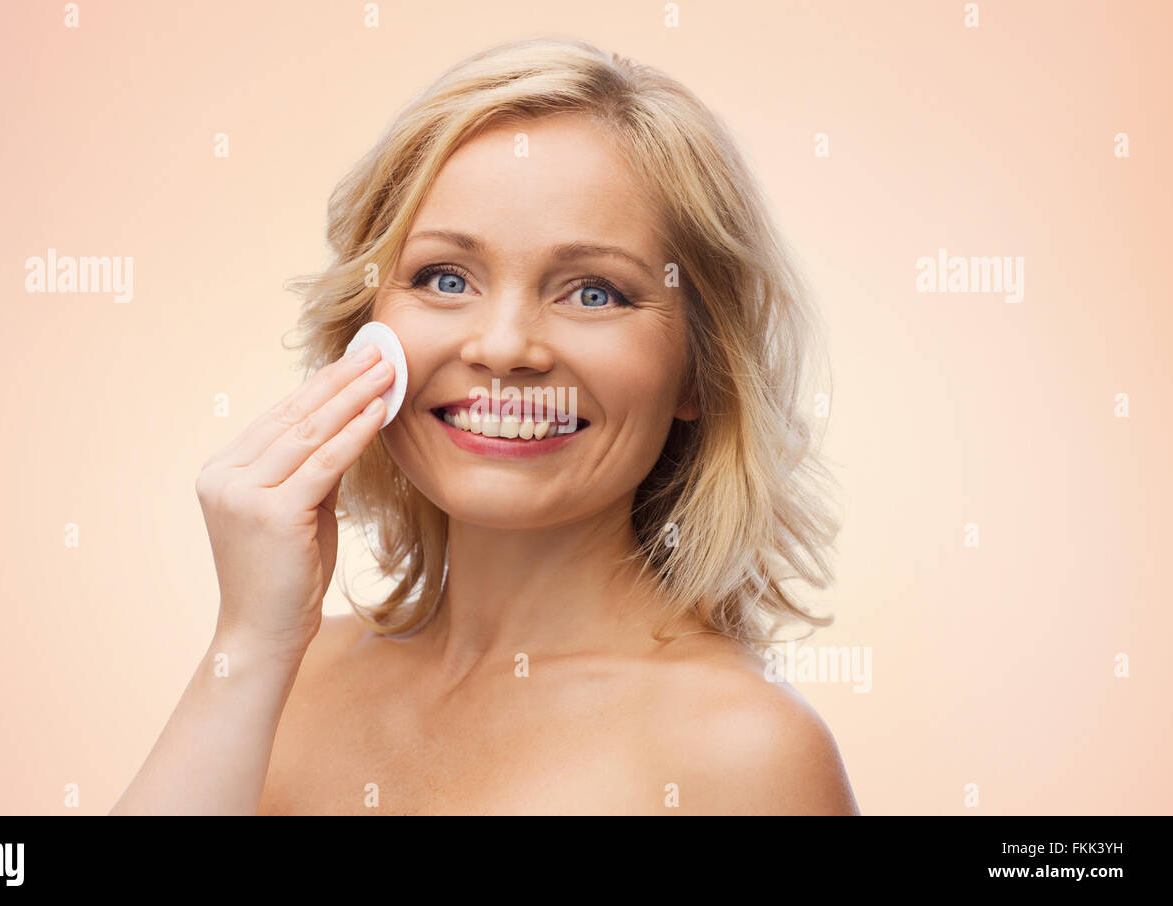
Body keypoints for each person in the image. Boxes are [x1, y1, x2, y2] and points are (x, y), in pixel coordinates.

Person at [112, 37, 858, 815]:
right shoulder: (281, 678)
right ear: (364, 330)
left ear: (699, 370)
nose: (503, 346)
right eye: (445, 277)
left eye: (594, 292)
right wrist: (249, 643)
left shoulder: (744, 751)